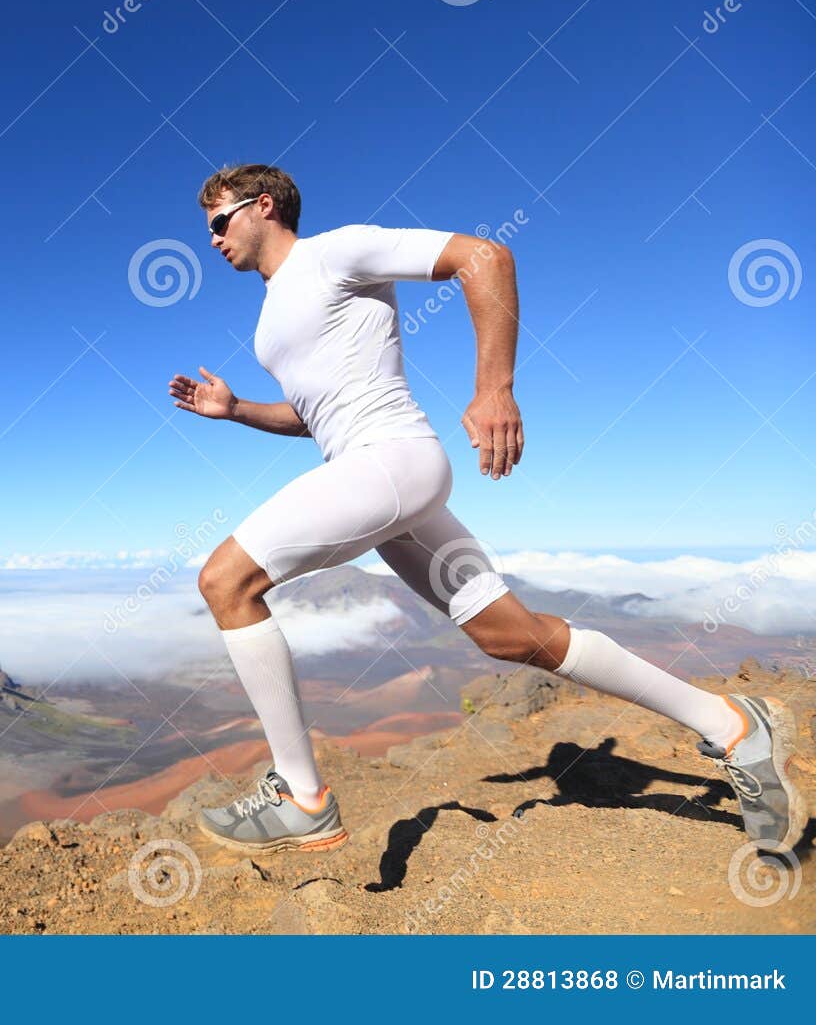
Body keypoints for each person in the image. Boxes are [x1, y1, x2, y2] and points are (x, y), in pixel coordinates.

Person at [171, 163, 805, 857]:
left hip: (392, 461)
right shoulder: (270, 317)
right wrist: (236, 411)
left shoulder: (337, 249)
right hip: (369, 477)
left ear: (264, 205)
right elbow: (314, 414)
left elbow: (484, 256)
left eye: (219, 220)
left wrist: (494, 387)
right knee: (513, 636)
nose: (211, 237)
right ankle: (735, 724)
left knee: (224, 579)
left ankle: (303, 798)